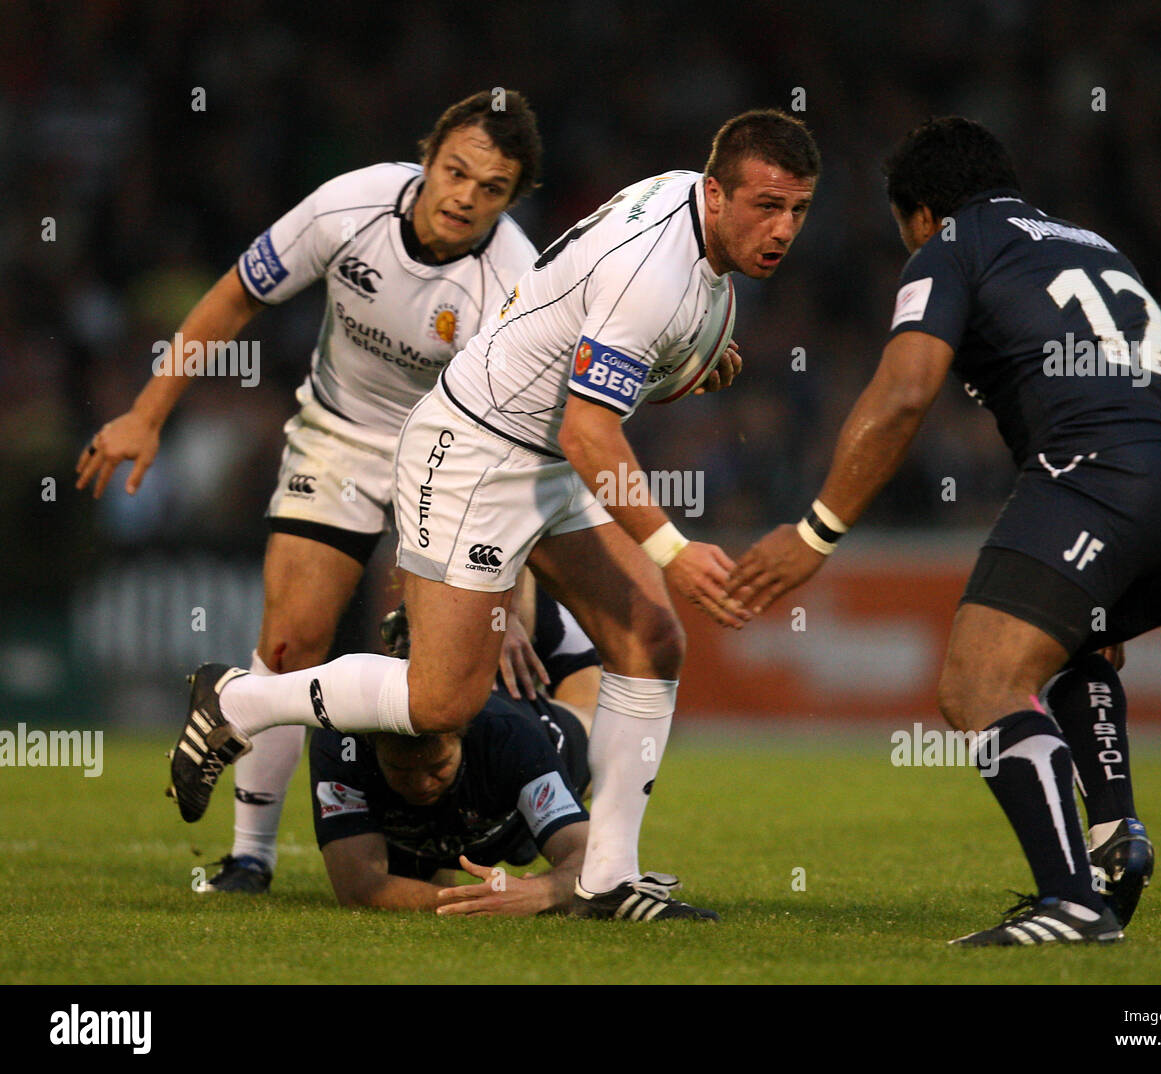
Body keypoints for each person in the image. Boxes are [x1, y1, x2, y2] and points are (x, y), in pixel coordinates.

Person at [167, 109, 821, 923]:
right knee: (442, 704)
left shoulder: (688, 217)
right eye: (767, 206)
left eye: (798, 209)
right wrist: (671, 549)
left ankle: (606, 879)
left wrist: (680, 371)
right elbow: (592, 429)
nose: (783, 228)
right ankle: (238, 702)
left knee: (650, 642)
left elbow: (591, 359)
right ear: (716, 192)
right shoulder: (652, 269)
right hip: (476, 452)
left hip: (541, 453)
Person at [728, 116, 1161, 946]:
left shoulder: (952, 246)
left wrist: (816, 532)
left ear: (922, 213)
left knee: (979, 684)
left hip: (1107, 479)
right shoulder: (1092, 245)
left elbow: (902, 394)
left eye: (904, 230)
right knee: (1074, 644)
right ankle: (1115, 837)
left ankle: (1070, 901)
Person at [78, 90, 545, 894]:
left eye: (492, 187)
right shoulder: (347, 205)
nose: (467, 196)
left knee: (445, 674)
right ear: (428, 156)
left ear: (510, 200)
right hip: (337, 437)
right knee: (291, 641)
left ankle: (509, 830)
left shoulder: (515, 283)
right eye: (457, 171)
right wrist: (147, 414)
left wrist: (503, 588)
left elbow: (521, 442)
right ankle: (251, 855)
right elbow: (235, 295)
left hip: (450, 461)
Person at [310, 587, 604, 917]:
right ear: (371, 744)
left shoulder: (510, 737)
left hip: (543, 748)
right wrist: (475, 900)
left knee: (607, 744)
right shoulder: (342, 742)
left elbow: (593, 861)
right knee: (418, 872)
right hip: (447, 825)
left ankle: (545, 616)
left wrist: (538, 894)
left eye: (438, 766)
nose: (421, 783)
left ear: (463, 736)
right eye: (401, 770)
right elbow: (359, 888)